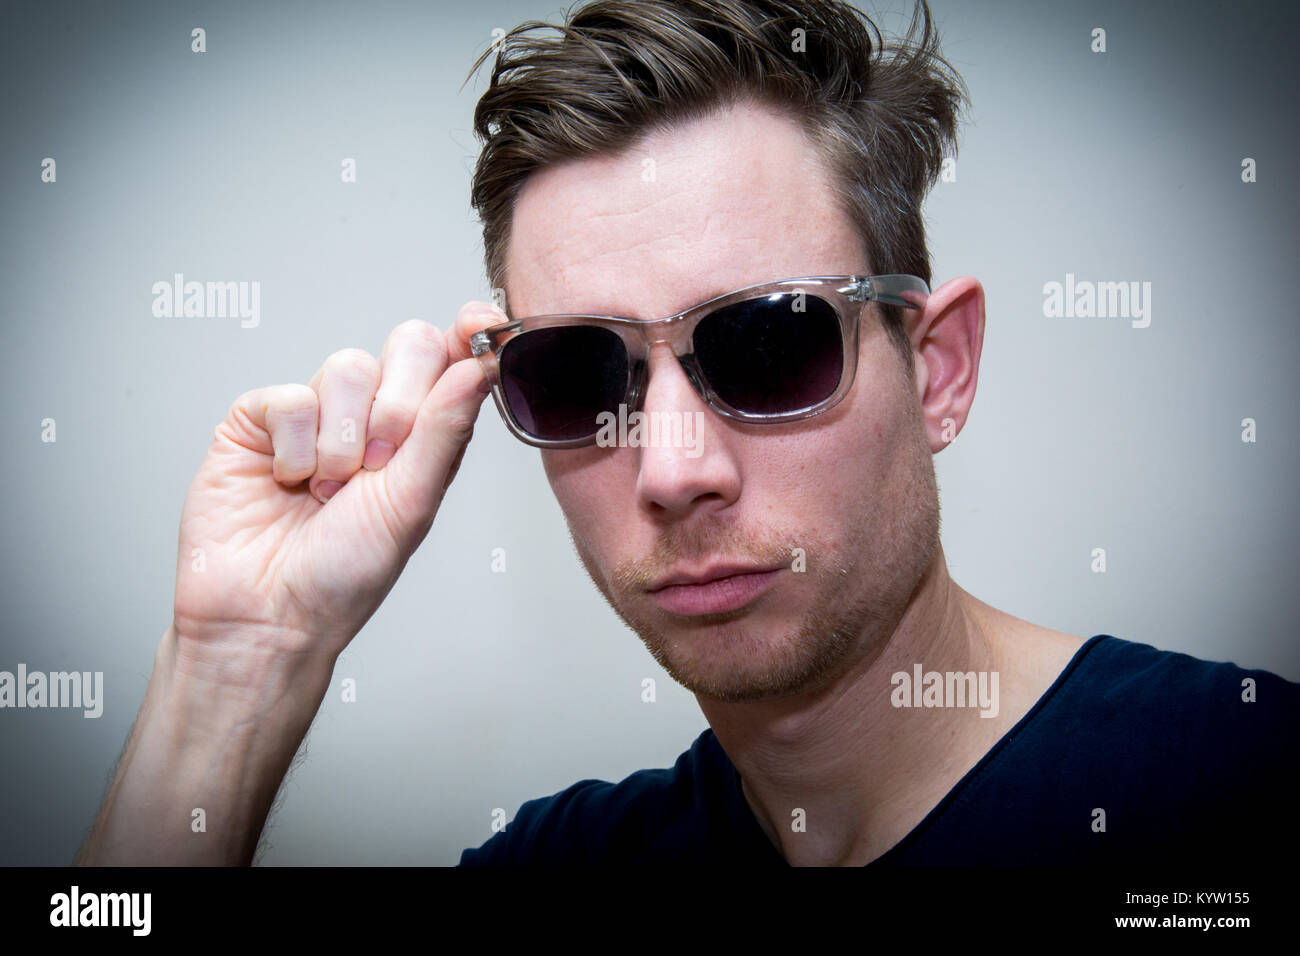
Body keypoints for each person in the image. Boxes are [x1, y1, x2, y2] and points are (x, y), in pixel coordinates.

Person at [75, 0, 1297, 868]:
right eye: (575, 372)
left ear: (935, 368)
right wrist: (236, 669)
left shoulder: (1241, 787)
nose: (672, 469)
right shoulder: (560, 864)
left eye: (767, 346)